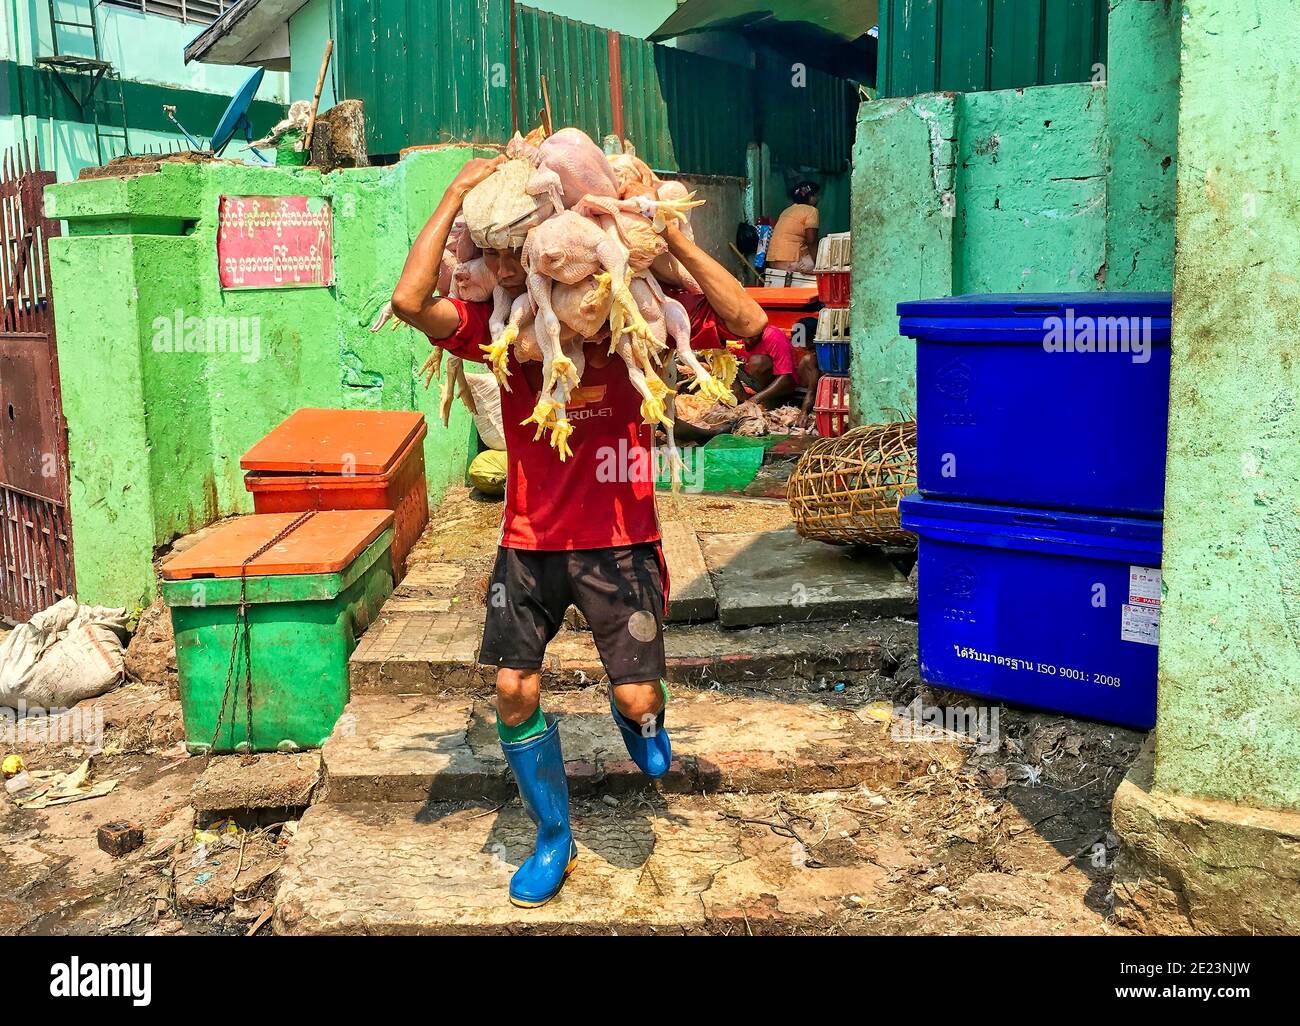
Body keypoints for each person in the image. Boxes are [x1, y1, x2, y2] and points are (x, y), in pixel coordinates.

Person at [390, 157, 767, 909]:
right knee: (512, 690)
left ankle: (643, 716)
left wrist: (673, 239)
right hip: (528, 544)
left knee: (634, 703)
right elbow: (408, 302)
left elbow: (750, 325)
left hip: (620, 543)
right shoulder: (508, 336)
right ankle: (553, 834)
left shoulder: (636, 324)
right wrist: (454, 194)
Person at [765, 181, 821, 274]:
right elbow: (811, 240)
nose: (817, 198)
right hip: (790, 261)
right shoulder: (811, 210)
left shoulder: (787, 210)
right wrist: (816, 264)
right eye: (814, 195)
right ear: (810, 197)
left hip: (772, 261)